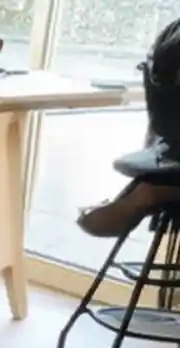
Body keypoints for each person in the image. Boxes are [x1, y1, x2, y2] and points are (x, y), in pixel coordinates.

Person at [78, 17, 180, 237]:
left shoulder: (173, 30)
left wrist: (151, 150)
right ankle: (159, 192)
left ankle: (148, 192)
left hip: (169, 147)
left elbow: (161, 113)